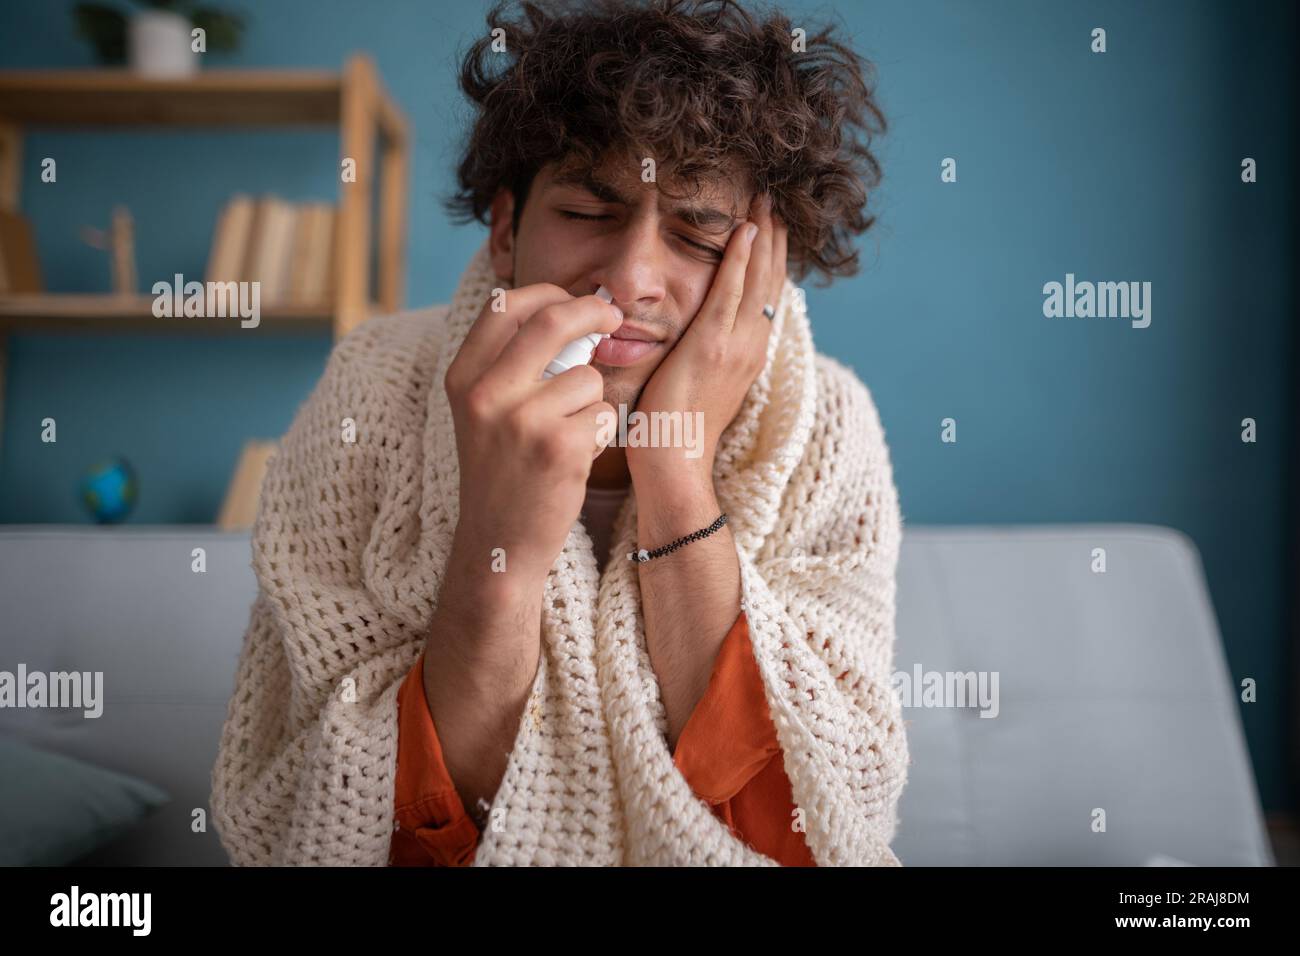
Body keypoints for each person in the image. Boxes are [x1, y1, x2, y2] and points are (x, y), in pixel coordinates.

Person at [211, 0, 909, 867]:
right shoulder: (374, 388)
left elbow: (805, 823)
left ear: (761, 267)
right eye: (587, 211)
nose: (631, 278)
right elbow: (366, 825)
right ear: (506, 231)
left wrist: (675, 466)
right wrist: (499, 548)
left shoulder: (827, 428)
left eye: (698, 232)